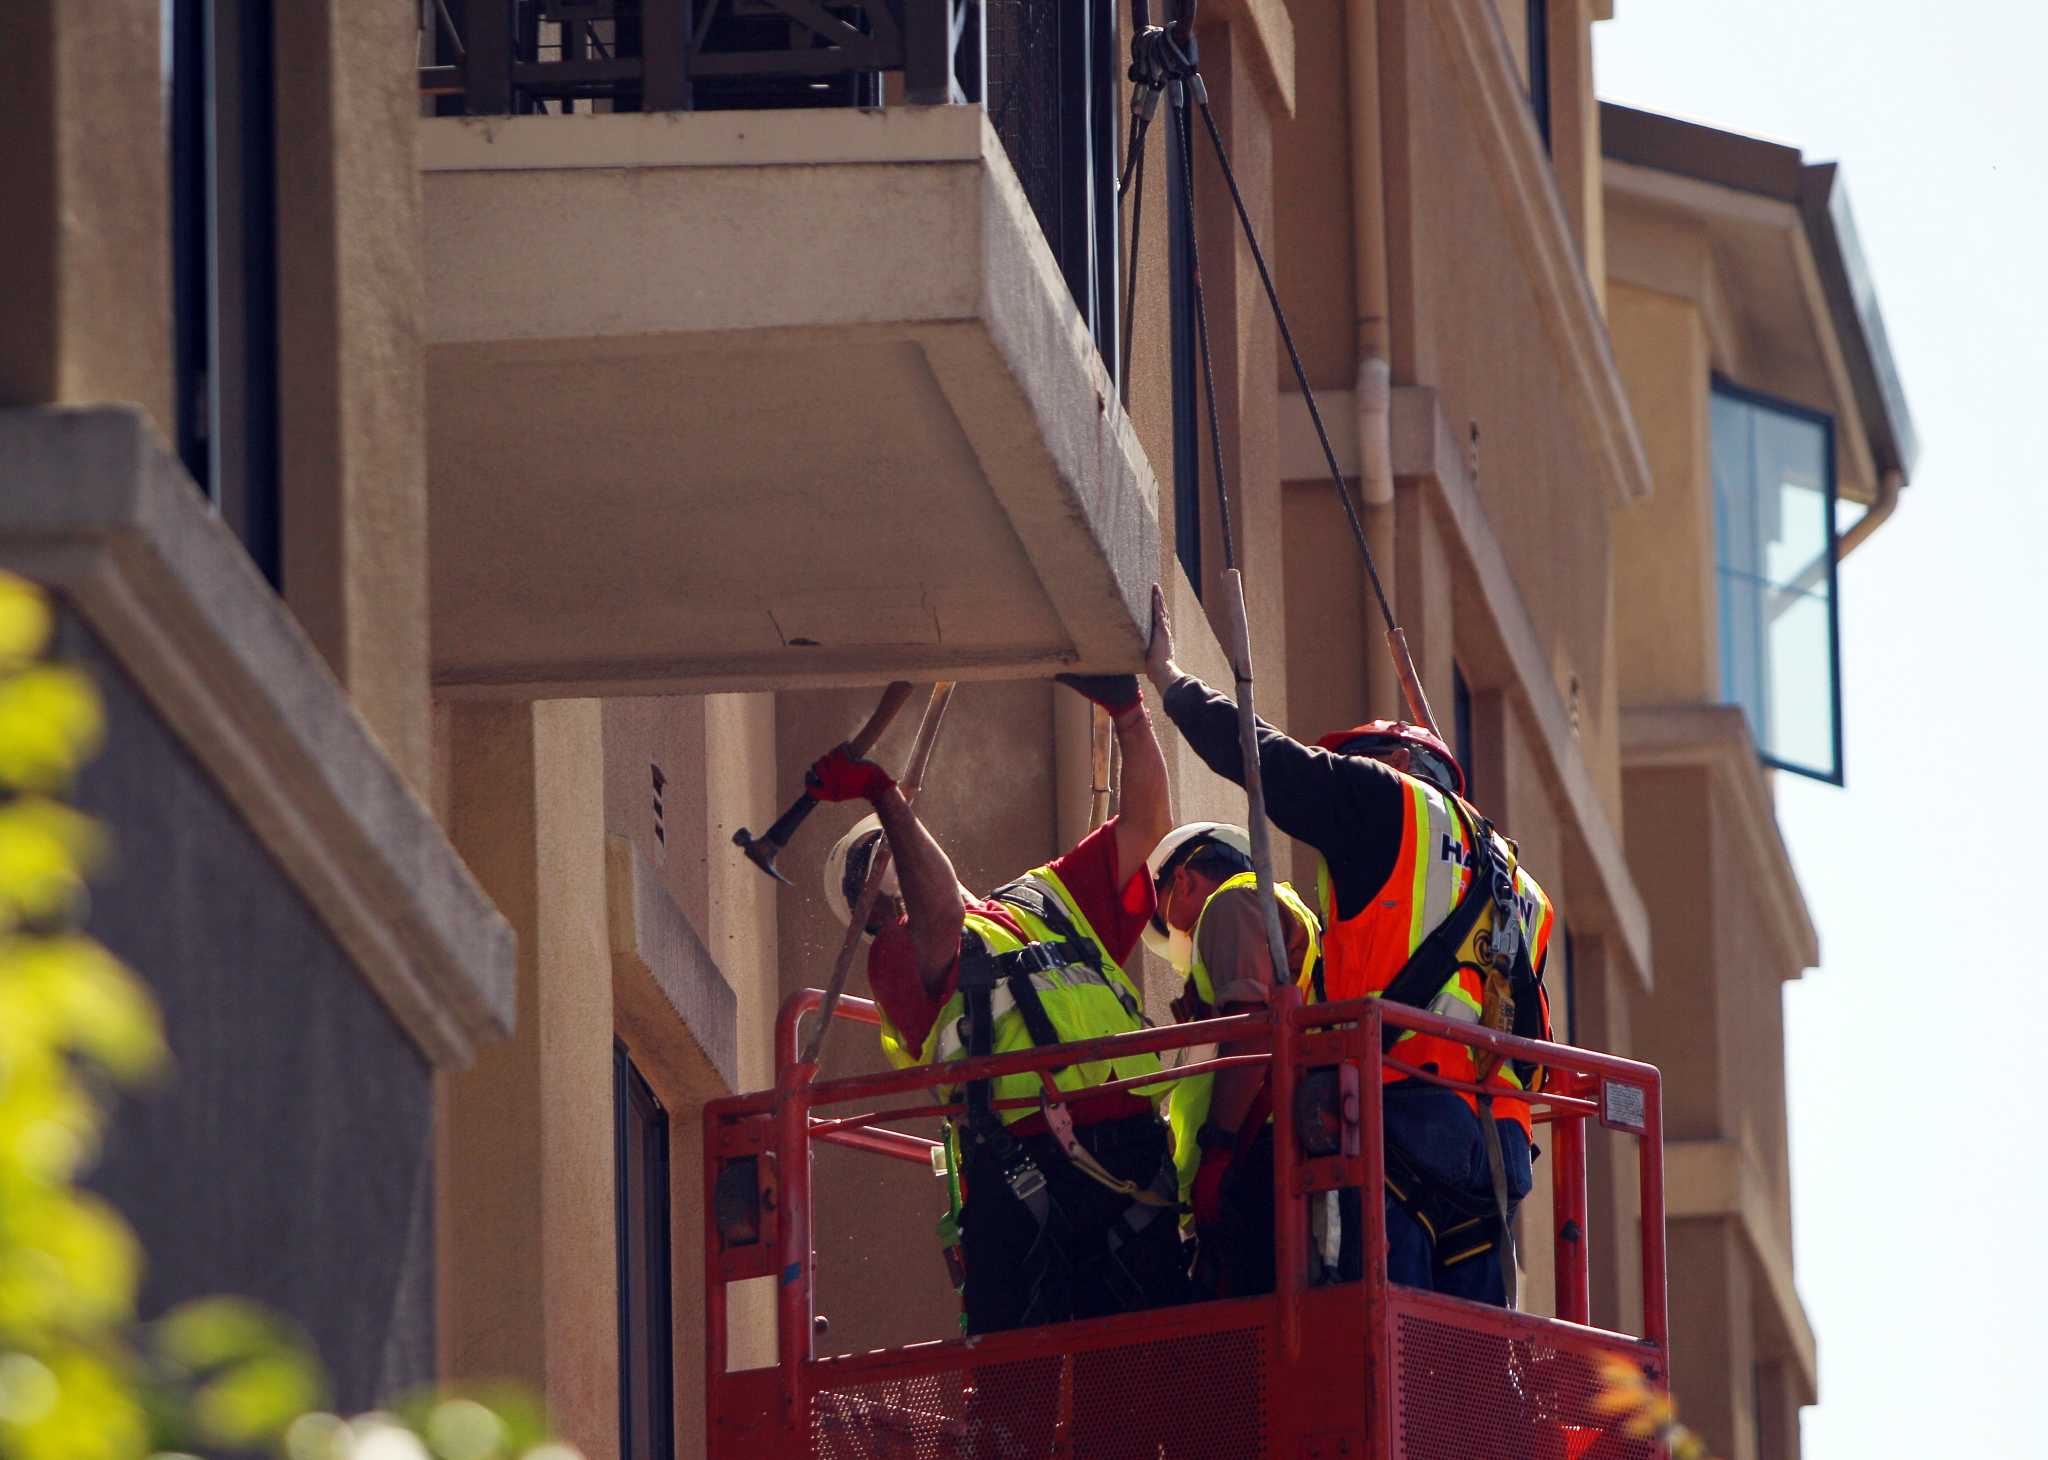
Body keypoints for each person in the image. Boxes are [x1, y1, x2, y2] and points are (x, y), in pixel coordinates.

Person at [1141, 587, 1556, 1307]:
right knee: (1462, 1369)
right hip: (1496, 1154)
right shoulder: (1522, 887)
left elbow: (1268, 760)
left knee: (1363, 1332)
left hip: (1395, 1116)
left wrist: (1172, 685)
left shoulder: (1385, 802)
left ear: (1390, 759)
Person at [807, 673, 1190, 1335]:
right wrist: (882, 794)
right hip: (1023, 1169)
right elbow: (941, 922)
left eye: (889, 848)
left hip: (1127, 1154)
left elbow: (1147, 827)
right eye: (874, 865)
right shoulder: (895, 955)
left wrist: (1128, 714)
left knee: (1145, 1379)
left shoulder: (1043, 901)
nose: (888, 866)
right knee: (1022, 1400)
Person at [1144, 821, 1325, 1297]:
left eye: (1168, 921)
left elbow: (1251, 1035)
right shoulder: (1280, 911)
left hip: (1250, 1147)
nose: (1177, 940)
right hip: (1278, 1136)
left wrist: (1218, 1152)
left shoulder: (1228, 905)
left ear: (1183, 879)